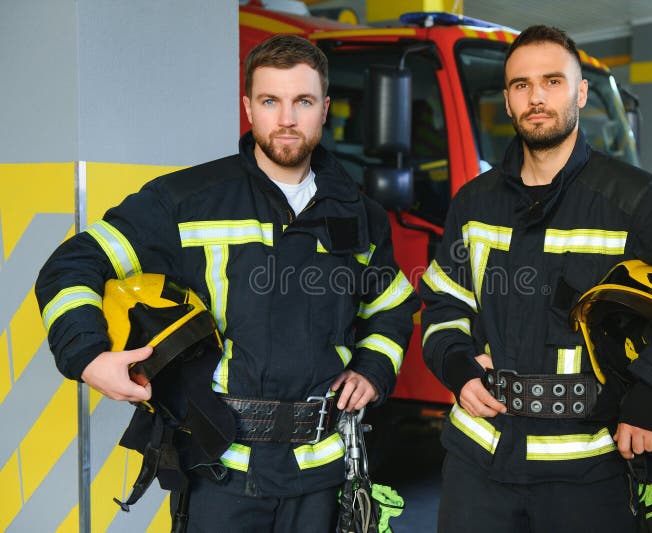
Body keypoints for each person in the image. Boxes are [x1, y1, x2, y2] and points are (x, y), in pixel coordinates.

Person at [36, 34, 418, 532]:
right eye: (270, 101)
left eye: (302, 101)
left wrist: (372, 370)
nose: (286, 118)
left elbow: (390, 306)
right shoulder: (185, 201)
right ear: (248, 108)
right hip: (220, 472)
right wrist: (87, 357)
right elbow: (72, 264)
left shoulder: (360, 213)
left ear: (325, 109)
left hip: (324, 476)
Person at [420, 25, 652, 533]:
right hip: (478, 466)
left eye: (553, 81)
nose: (537, 97)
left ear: (580, 92)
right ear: (508, 102)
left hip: (589, 473)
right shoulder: (473, 203)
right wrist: (457, 366)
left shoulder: (640, 201)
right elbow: (443, 303)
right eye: (521, 85)